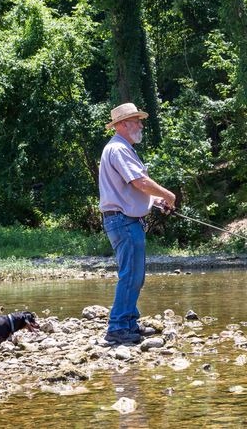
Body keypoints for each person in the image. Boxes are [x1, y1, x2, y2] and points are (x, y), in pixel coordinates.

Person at [98, 102, 176, 344]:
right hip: (123, 222)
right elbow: (139, 182)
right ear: (121, 125)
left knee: (134, 275)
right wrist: (168, 195)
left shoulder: (121, 148)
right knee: (131, 275)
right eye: (136, 121)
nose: (141, 124)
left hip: (123, 220)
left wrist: (155, 201)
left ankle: (129, 322)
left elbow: (132, 189)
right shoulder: (119, 149)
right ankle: (118, 327)